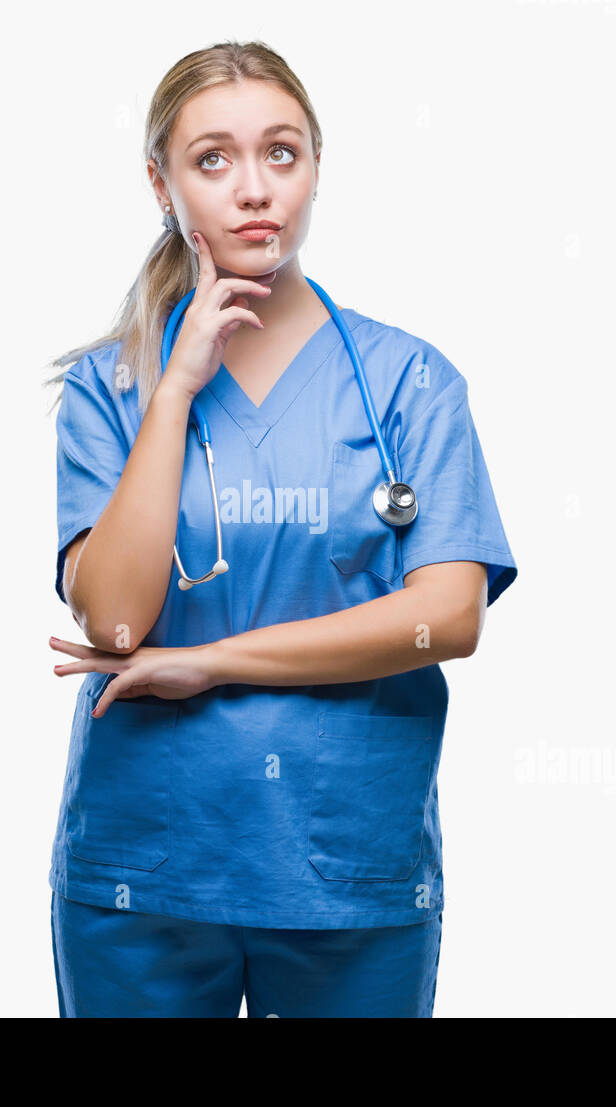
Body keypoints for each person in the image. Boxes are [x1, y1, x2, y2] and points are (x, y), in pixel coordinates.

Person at [42, 40, 517, 1018]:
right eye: (212, 159)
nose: (253, 188)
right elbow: (119, 629)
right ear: (160, 185)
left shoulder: (410, 384)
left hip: (346, 872)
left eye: (282, 153)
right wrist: (176, 389)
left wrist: (215, 662)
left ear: (315, 169)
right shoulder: (112, 390)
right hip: (144, 874)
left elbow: (448, 619)